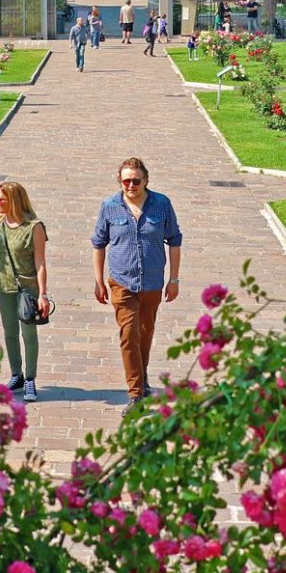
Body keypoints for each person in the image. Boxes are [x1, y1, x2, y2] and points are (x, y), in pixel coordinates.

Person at [91, 157, 183, 408]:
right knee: (128, 335)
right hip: (122, 283)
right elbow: (99, 244)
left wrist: (174, 279)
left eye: (136, 180)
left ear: (146, 180)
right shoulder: (109, 206)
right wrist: (98, 281)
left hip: (153, 282)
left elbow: (174, 240)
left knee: (145, 334)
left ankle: (141, 381)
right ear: (120, 182)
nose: (131, 185)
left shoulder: (161, 204)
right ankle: (135, 393)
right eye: (126, 181)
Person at [0, 181, 50, 403]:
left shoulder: (34, 227)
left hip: (28, 288)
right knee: (9, 332)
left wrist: (43, 294)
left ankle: (30, 377)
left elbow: (40, 262)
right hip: (3, 286)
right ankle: (16, 375)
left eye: (0, 199)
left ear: (14, 201)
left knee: (29, 334)